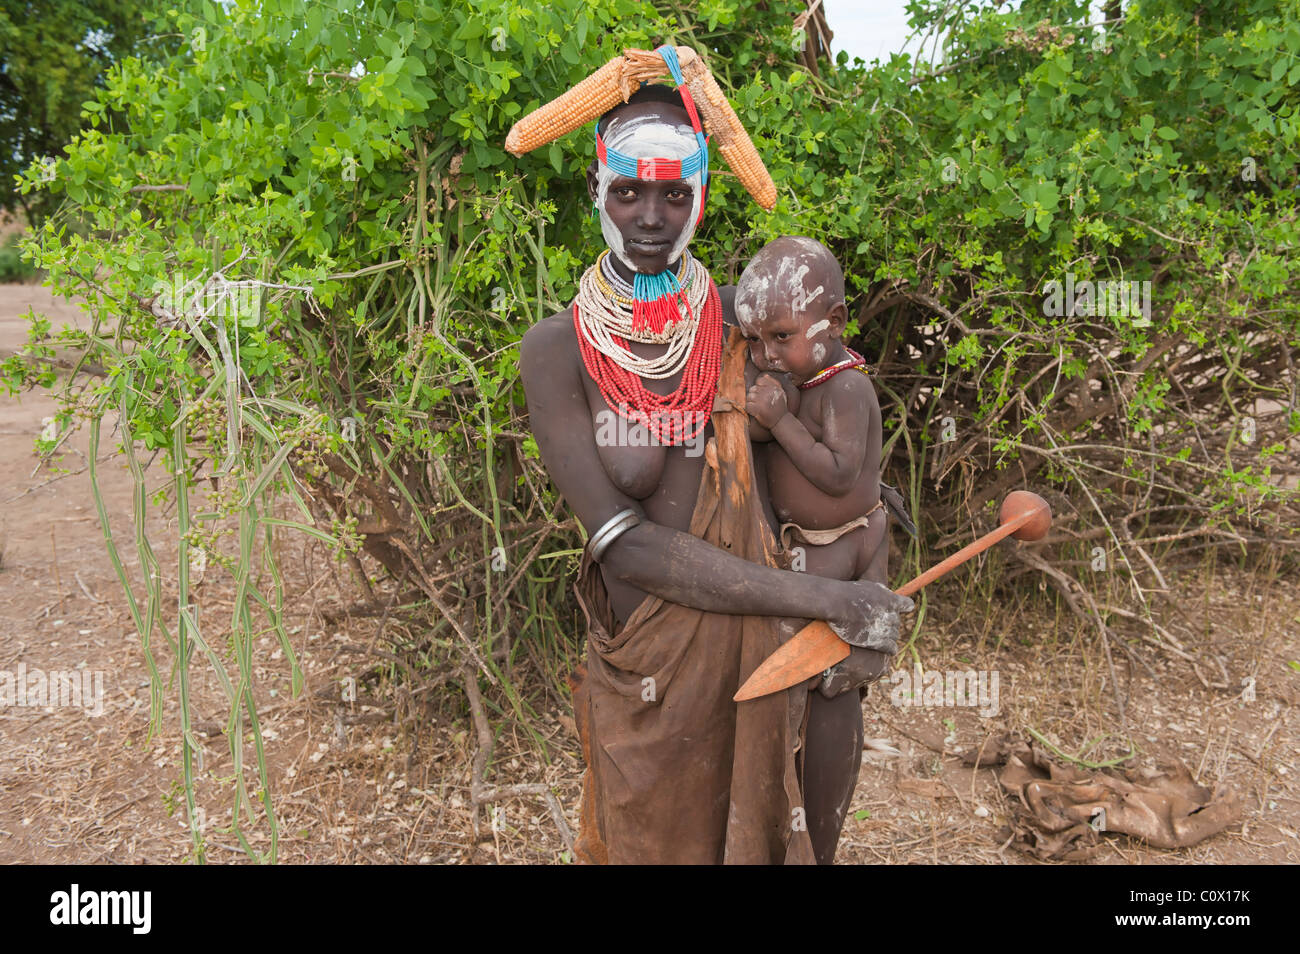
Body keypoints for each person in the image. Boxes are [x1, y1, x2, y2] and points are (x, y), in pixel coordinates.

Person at [510, 47, 913, 864]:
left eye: (673, 192)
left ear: (700, 197)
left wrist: (858, 582)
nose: (650, 216)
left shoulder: (745, 319)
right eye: (627, 191)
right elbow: (624, 544)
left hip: (774, 639)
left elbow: (841, 450)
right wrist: (813, 598)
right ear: (597, 191)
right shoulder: (558, 351)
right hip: (653, 670)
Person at [740, 236, 890, 860]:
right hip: (800, 556)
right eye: (753, 342)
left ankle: (817, 841)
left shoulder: (847, 390)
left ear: (833, 325)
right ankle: (781, 824)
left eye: (780, 336)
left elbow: (836, 475)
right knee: (789, 686)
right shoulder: (794, 378)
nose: (765, 354)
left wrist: (777, 422)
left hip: (851, 550)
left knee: (838, 679)